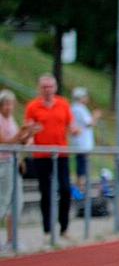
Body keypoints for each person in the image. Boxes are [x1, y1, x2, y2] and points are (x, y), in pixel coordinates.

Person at [25, 75, 80, 244]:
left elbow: (71, 125)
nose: (47, 90)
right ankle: (47, 230)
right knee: (46, 192)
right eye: (44, 87)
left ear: (55, 88)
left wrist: (75, 130)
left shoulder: (63, 104)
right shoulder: (33, 106)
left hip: (61, 154)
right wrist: (30, 137)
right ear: (39, 88)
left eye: (50, 87)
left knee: (65, 190)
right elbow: (27, 129)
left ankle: (64, 227)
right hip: (42, 156)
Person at [1, 89, 40, 250]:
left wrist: (28, 133)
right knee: (3, 202)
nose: (9, 107)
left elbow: (18, 142)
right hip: (2, 164)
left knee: (17, 202)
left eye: (11, 104)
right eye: (6, 104)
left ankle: (11, 240)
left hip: (12, 163)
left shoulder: (10, 120)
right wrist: (23, 132)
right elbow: (6, 142)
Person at [69, 87, 99, 194]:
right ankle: (80, 186)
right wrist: (95, 116)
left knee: (82, 163)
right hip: (81, 142)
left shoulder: (77, 108)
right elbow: (89, 123)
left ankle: (80, 185)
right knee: (82, 164)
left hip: (82, 141)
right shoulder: (78, 108)